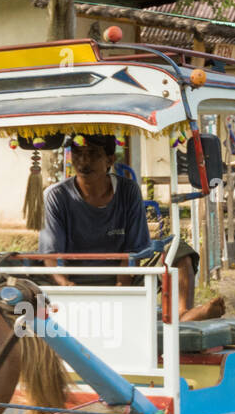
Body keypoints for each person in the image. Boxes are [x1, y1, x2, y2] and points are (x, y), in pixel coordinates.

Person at [38, 134, 224, 321]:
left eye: (93, 154)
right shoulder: (55, 196)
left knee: (178, 249)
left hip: (125, 274)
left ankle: (183, 315)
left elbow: (134, 250)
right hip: (75, 279)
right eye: (77, 153)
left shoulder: (128, 190)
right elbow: (50, 254)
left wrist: (121, 289)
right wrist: (65, 286)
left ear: (110, 159)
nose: (84, 161)